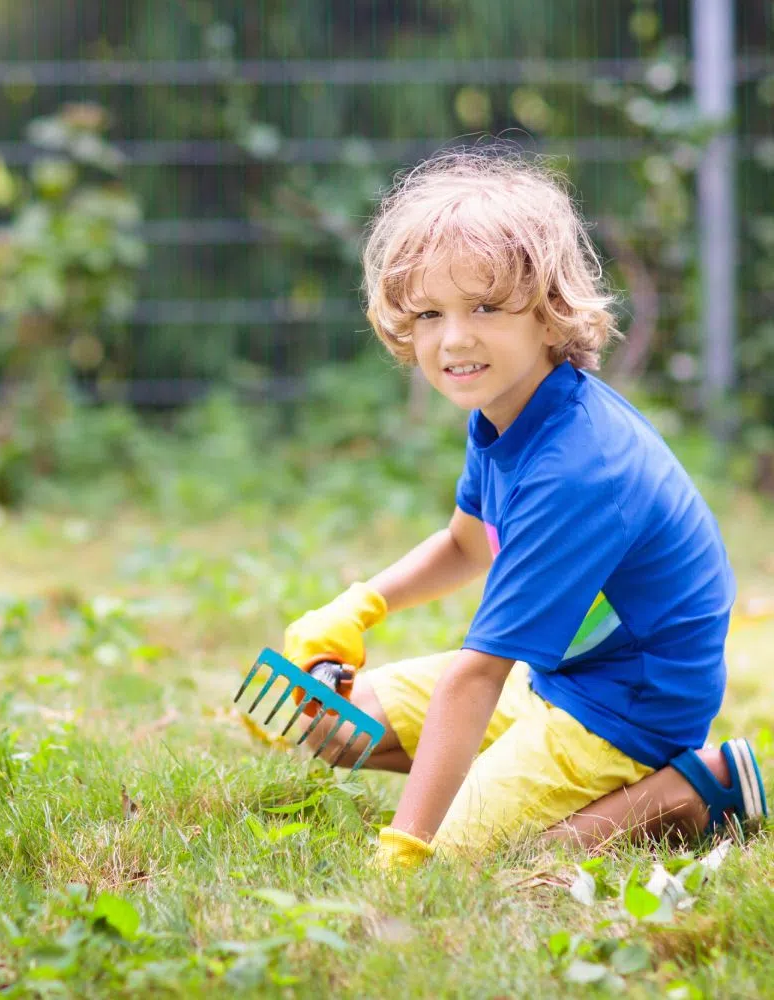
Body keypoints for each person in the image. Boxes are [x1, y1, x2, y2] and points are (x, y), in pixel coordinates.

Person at [281, 147, 768, 870]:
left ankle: (690, 791)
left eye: (484, 306)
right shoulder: (505, 411)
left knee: (465, 867)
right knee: (345, 726)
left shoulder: (579, 468)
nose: (454, 339)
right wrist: (357, 608)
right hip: (563, 679)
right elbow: (466, 547)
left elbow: (477, 676)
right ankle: (516, 782)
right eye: (429, 312)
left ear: (548, 315)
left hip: (630, 706)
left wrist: (409, 846)